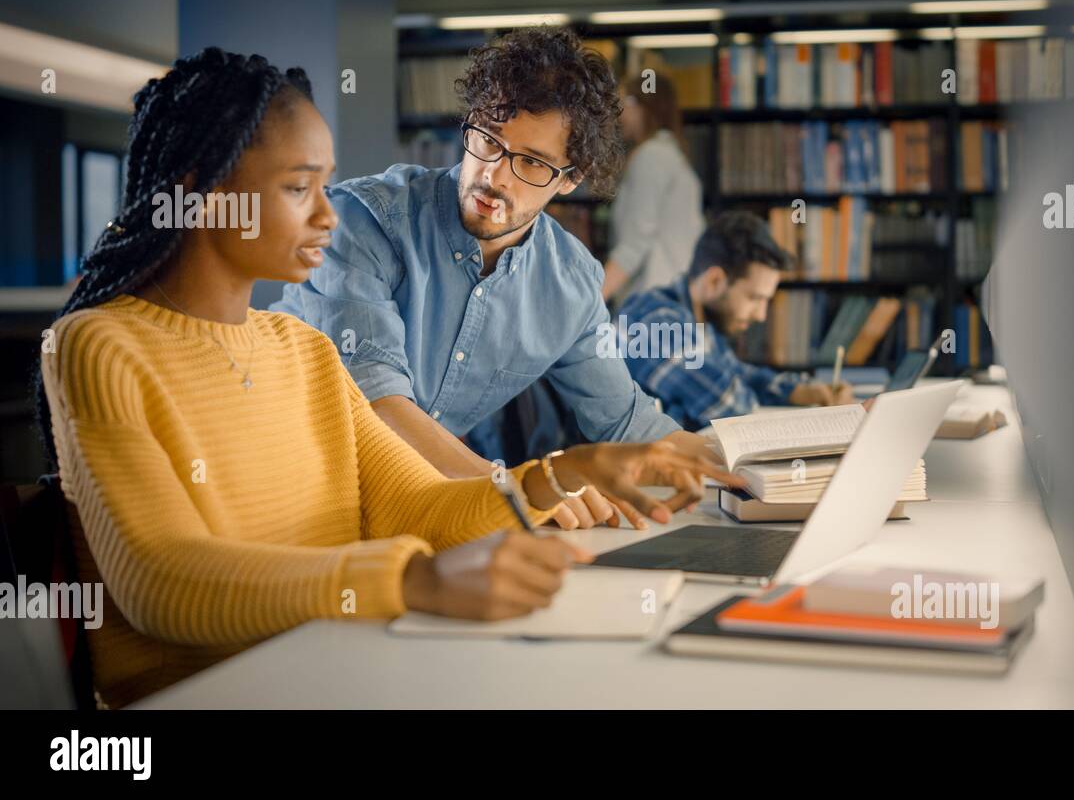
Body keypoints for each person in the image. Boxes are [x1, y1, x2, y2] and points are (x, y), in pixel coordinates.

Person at [34, 48, 739, 708]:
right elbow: (164, 580)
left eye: (323, 182)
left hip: (340, 666)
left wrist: (556, 473)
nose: (327, 213)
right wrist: (412, 579)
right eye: (297, 187)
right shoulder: (97, 346)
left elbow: (419, 508)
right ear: (202, 192)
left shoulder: (302, 348)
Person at [271, 27, 717, 531]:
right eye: (487, 140)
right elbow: (380, 404)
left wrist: (747, 465)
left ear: (571, 178)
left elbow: (626, 421)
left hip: (398, 507)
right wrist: (522, 491)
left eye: (530, 162)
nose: (494, 176)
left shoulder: (569, 282)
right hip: (286, 488)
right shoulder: (365, 218)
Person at [619, 211, 856, 432]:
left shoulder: (701, 323)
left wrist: (800, 391)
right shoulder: (656, 322)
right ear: (715, 281)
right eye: (754, 298)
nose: (761, 315)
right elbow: (730, 405)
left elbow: (740, 375)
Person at [600, 73, 704, 306]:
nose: (618, 115)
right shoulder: (670, 155)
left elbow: (635, 243)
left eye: (624, 102)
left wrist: (590, 302)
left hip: (651, 301)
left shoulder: (652, 157)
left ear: (643, 107)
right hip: (670, 299)